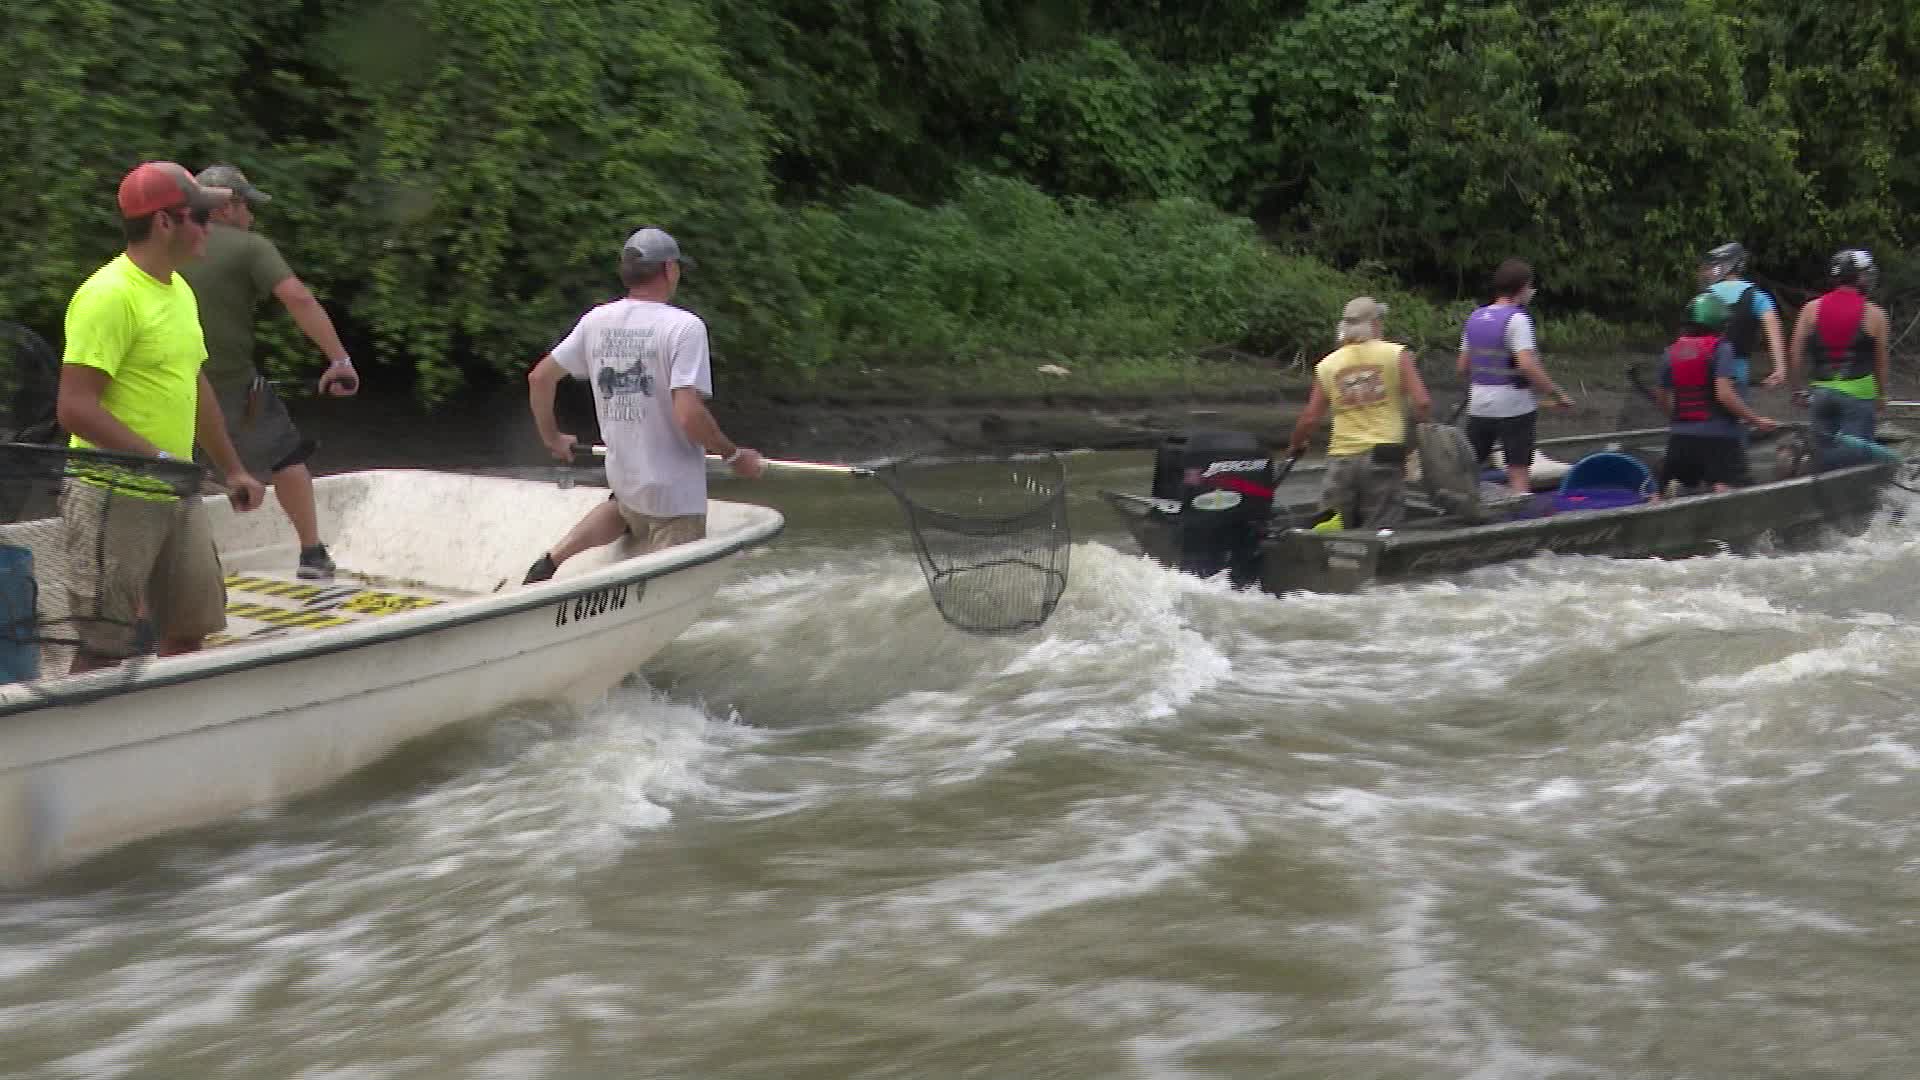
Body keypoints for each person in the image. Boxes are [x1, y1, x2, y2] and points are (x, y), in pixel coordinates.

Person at [55, 161, 267, 672]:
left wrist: (232, 467)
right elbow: (74, 407)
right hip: (113, 493)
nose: (209, 227)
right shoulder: (109, 296)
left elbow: (193, 385)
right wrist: (158, 458)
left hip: (177, 490)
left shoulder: (179, 290)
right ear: (164, 222)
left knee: (189, 632)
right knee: (104, 647)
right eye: (199, 216)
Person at [523, 227, 765, 584]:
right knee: (671, 586)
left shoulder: (596, 320)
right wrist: (733, 457)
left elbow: (539, 379)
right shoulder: (684, 327)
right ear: (670, 269)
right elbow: (689, 414)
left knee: (621, 507)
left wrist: (552, 438)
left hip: (626, 482)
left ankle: (552, 560)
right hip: (674, 499)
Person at [181, 164, 359, 581]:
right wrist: (339, 361)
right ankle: (312, 554)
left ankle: (181, 571)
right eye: (247, 207)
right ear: (229, 207)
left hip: (168, 385)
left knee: (176, 476)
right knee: (287, 456)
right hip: (230, 384)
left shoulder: (169, 244)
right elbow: (297, 297)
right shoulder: (250, 247)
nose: (252, 217)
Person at [1288, 297, 1432, 530]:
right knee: (1383, 530)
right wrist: (1421, 436)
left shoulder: (1327, 364)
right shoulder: (1396, 354)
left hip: (1342, 456)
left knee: (1332, 527)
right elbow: (1422, 402)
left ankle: (1331, 564)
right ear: (1376, 324)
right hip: (1385, 453)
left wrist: (1296, 443)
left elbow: (1310, 417)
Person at [1457, 258, 1575, 495]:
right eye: (1530, 286)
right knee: (1518, 471)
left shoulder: (1475, 317)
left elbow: (1462, 367)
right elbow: (1527, 365)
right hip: (1514, 407)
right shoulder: (1517, 319)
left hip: (1479, 405)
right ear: (1523, 287)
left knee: (1471, 468)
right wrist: (1556, 393)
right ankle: (1520, 520)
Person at [1651, 293, 1777, 496]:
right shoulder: (1721, 348)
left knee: (1663, 491)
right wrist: (1756, 420)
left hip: (1680, 439)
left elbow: (1661, 397)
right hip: (1720, 439)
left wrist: (1679, 421)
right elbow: (1724, 394)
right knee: (1735, 489)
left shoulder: (1670, 352)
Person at [1788, 248, 1891, 471]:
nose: (1868, 278)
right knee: (1853, 464)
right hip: (1859, 396)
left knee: (1822, 457)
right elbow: (1881, 363)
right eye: (1865, 273)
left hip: (1820, 394)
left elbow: (1795, 353)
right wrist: (1881, 395)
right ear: (1857, 277)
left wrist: (1797, 390)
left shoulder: (1810, 309)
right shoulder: (1875, 314)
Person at [1698, 242, 1788, 391]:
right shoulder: (1758, 296)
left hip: (1706, 366)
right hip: (1737, 368)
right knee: (1735, 411)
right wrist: (1780, 368)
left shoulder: (1705, 296)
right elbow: (1774, 335)